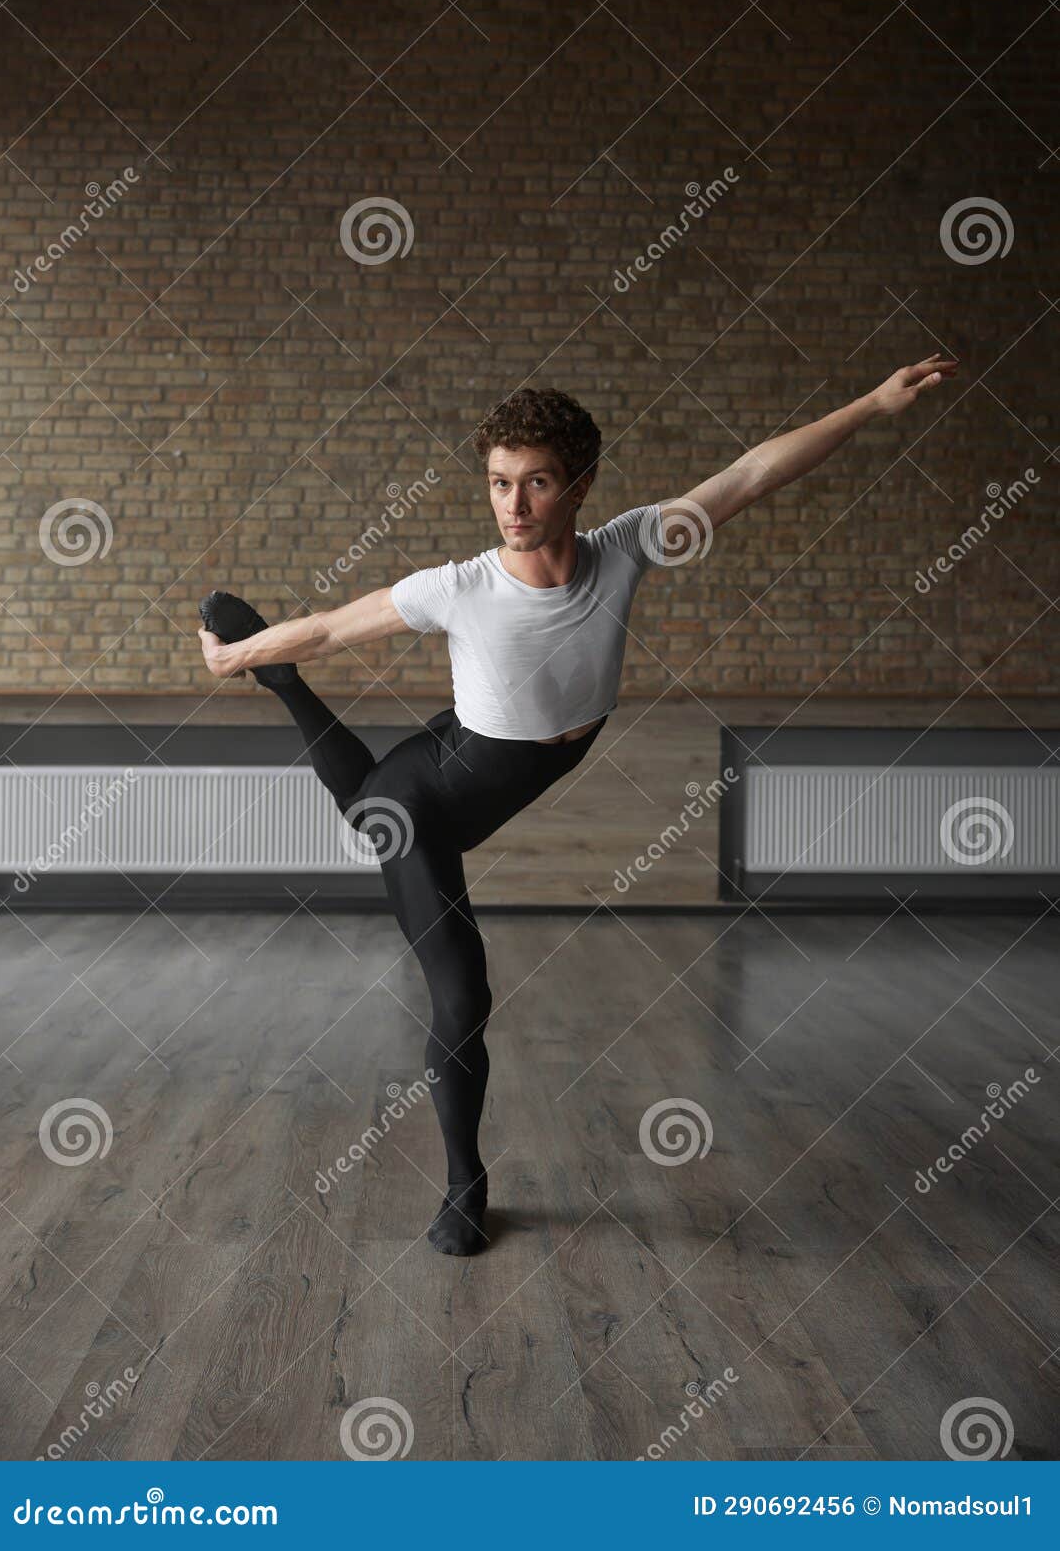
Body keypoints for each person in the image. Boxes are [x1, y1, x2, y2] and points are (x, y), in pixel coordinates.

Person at [197, 355, 957, 1255]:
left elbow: (753, 471)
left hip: (481, 752)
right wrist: (233, 659)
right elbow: (327, 626)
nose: (513, 506)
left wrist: (872, 400)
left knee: (373, 799)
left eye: (536, 483)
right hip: (435, 797)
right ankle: (465, 1185)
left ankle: (283, 687)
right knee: (448, 963)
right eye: (498, 484)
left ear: (580, 484)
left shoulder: (631, 546)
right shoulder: (462, 587)